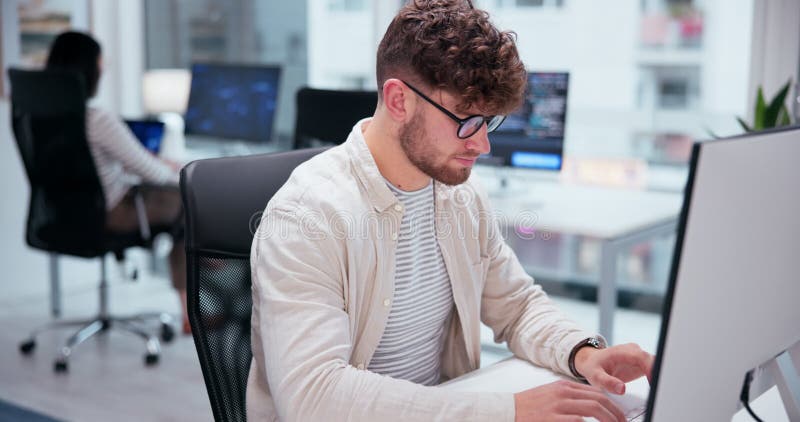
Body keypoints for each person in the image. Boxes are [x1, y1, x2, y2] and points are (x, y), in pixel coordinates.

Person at [248, 1, 654, 420]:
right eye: (465, 120)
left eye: (488, 122)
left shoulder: (458, 194)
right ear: (398, 100)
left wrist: (580, 351)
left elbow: (515, 305)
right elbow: (315, 397)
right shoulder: (307, 215)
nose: (482, 145)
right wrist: (502, 411)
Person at [46, 31, 190, 334]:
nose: (105, 67)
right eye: (101, 62)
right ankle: (191, 310)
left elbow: (96, 172)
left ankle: (192, 301)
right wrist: (185, 172)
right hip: (113, 213)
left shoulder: (46, 118)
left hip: (63, 215)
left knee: (182, 205)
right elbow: (152, 173)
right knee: (192, 202)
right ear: (89, 69)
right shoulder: (96, 119)